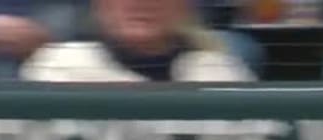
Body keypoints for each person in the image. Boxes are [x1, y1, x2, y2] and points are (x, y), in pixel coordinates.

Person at [19, 0, 253, 81]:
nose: (142, 4)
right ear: (101, 6)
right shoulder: (58, 67)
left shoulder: (219, 72)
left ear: (184, 6)